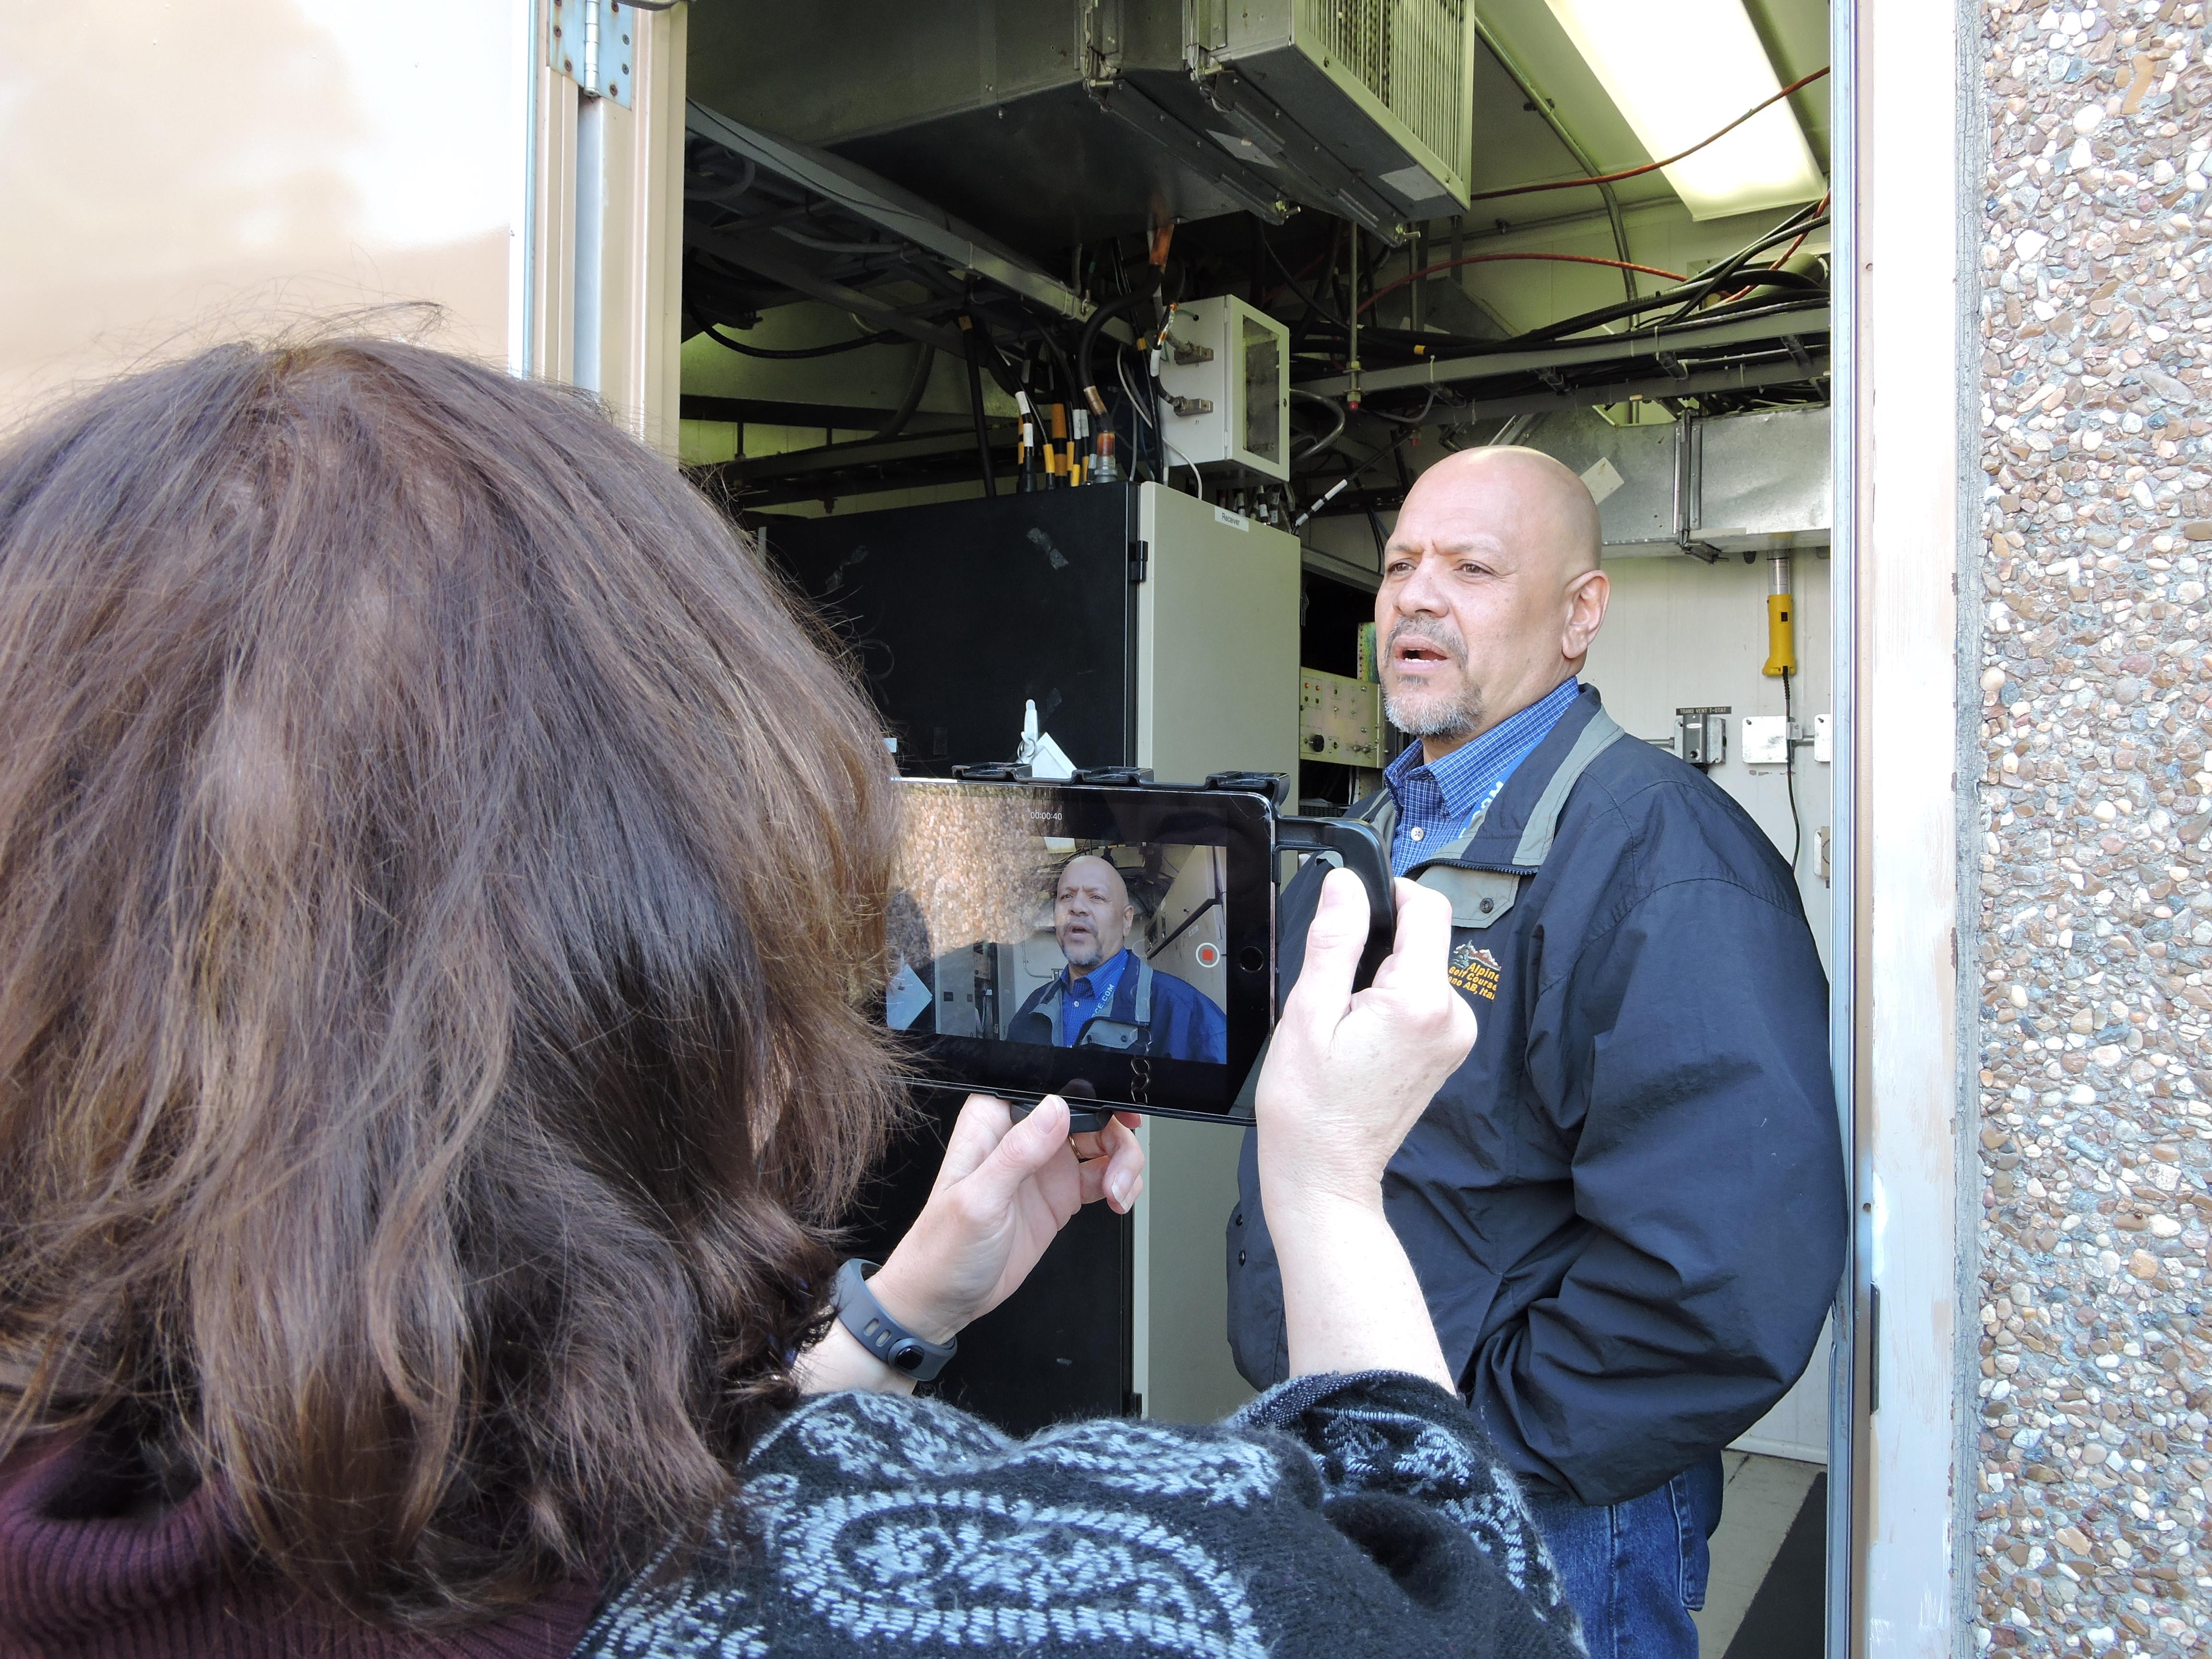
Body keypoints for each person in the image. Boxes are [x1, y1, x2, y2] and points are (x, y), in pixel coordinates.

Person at [0, 336, 1587, 1659]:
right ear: (670, 984)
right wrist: (1323, 1184)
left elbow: (541, 1479)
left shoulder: (82, 1488)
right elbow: (1460, 1603)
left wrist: (903, 1311)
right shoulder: (955, 1581)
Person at [1226, 446, 1847, 1659]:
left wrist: (1479, 1429)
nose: (1413, 594)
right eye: (1400, 563)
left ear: (1580, 615)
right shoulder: (1375, 832)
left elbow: (1718, 1269)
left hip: (1540, 1496)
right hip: (1346, 1437)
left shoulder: (1666, 863)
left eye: (1470, 566)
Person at [1008, 853, 1228, 1062]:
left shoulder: (1188, 1016)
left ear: (1127, 920)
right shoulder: (1032, 1010)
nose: (1077, 907)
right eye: (1067, 896)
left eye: (1096, 897)